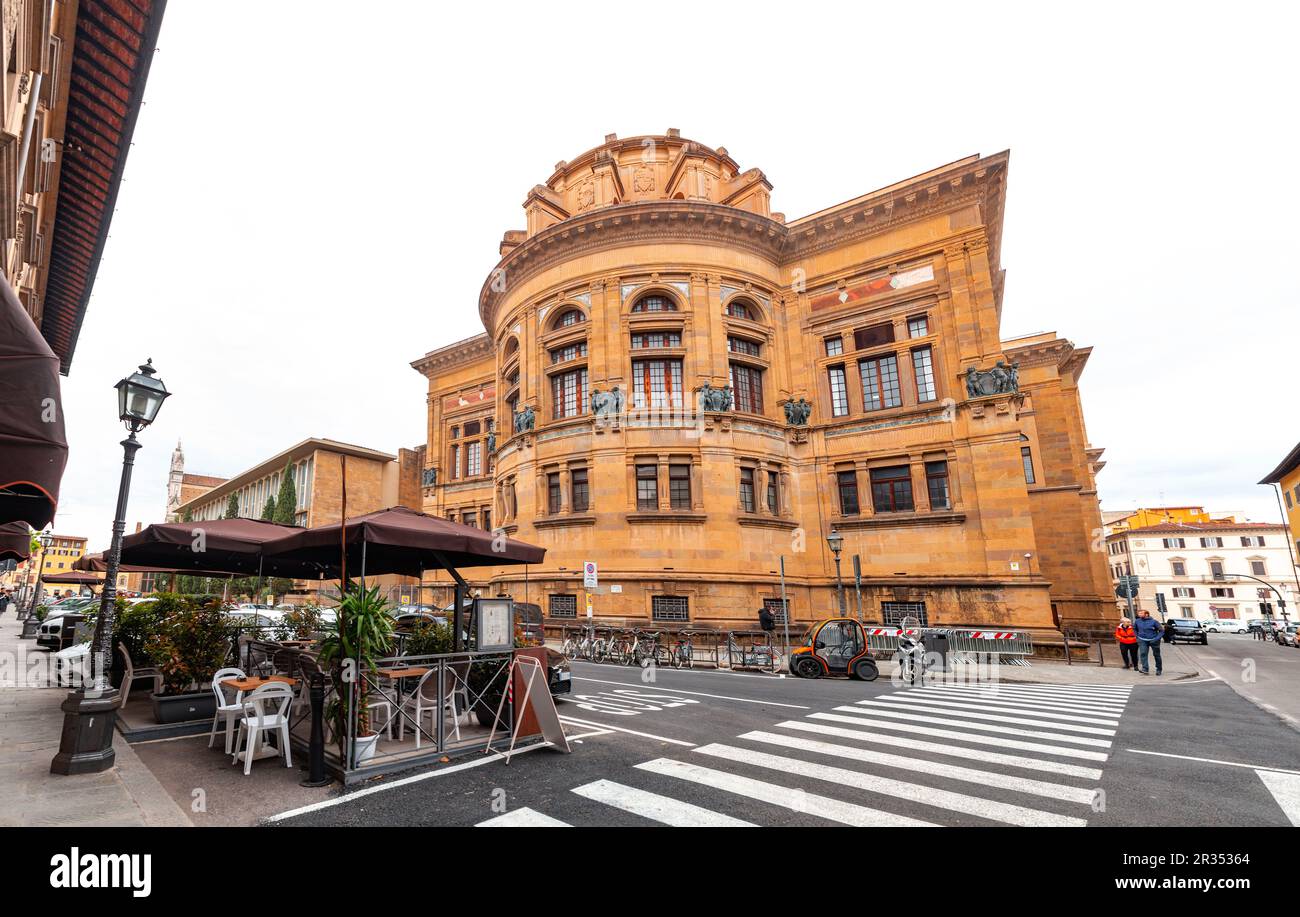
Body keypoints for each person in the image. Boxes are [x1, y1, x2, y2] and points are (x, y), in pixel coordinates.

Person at [1133, 609, 1164, 676]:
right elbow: (1134, 629)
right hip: (1142, 640)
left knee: (1156, 655)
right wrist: (1137, 637)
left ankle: (1159, 669)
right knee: (1143, 654)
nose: (1139, 614)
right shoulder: (1137, 621)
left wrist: (1156, 639)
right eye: (1139, 613)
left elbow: (1161, 631)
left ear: (1146, 614)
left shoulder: (1154, 622)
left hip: (1154, 640)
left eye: (1141, 613)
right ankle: (1145, 669)